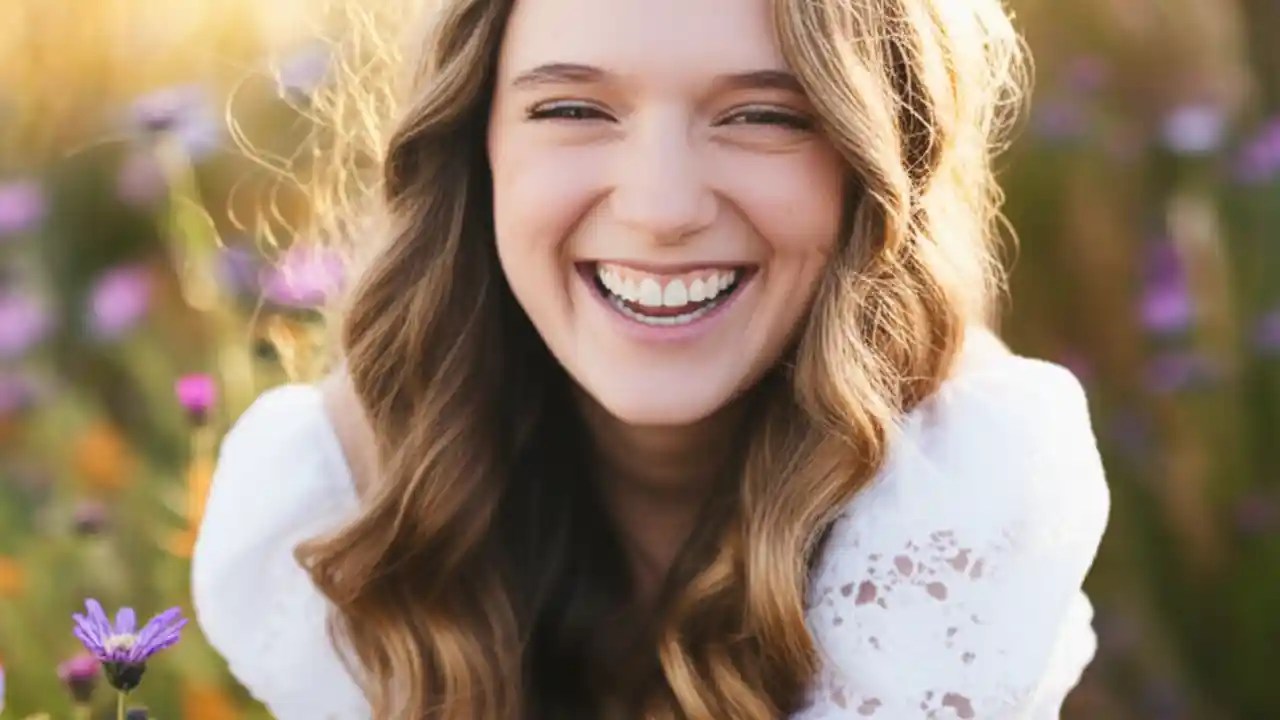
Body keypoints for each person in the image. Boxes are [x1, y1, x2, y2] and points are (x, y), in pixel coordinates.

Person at [191, 0, 1111, 717]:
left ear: (873, 164)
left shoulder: (959, 494)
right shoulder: (341, 500)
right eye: (573, 109)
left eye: (762, 115)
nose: (662, 206)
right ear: (477, 149)